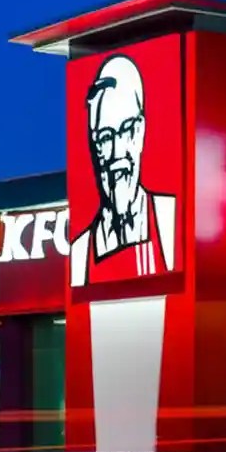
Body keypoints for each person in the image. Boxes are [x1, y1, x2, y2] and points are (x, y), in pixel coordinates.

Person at [70, 55, 175, 287]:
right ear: (95, 147)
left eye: (126, 130)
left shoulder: (171, 220)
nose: (117, 152)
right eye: (106, 137)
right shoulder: (79, 254)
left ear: (140, 132)